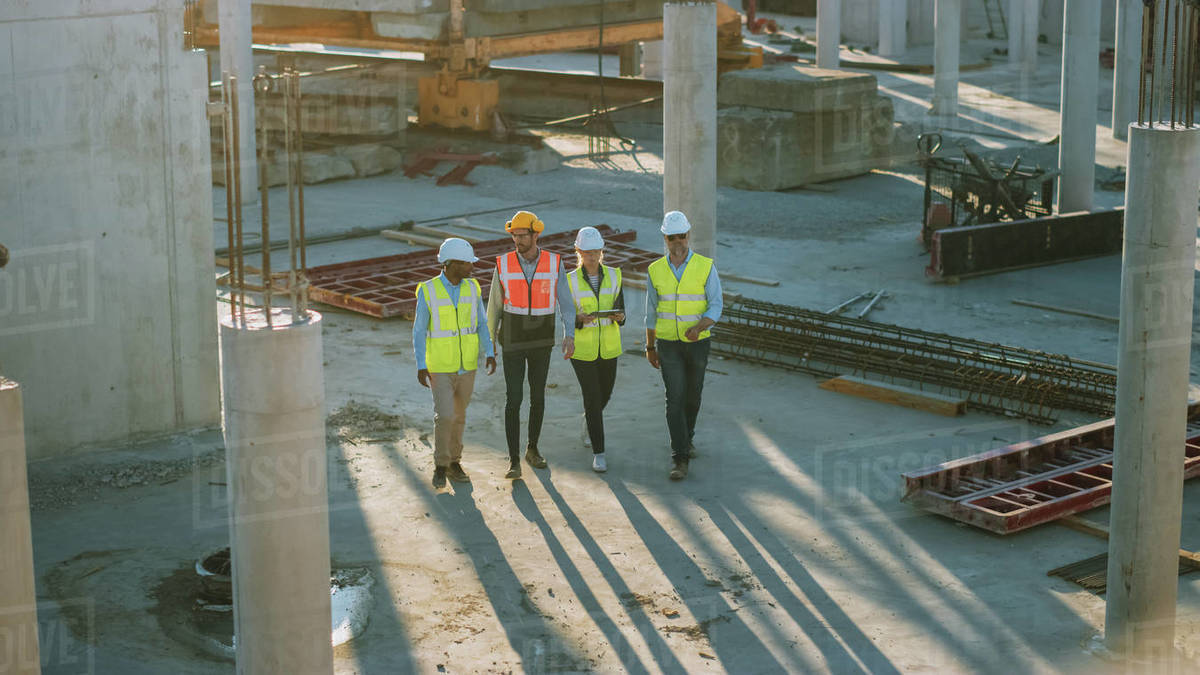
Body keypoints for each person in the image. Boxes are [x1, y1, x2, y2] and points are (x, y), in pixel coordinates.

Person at [487, 210, 577, 479]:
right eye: (514, 235)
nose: (517, 240)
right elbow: (493, 307)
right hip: (513, 339)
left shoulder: (553, 262)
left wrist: (569, 334)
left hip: (541, 339)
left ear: (536, 234)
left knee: (538, 396)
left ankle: (532, 449)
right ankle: (513, 460)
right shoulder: (502, 264)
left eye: (522, 235)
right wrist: (489, 344)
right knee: (513, 399)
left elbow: (566, 304)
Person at [644, 211, 723, 481]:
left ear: (688, 236)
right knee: (674, 397)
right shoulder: (655, 270)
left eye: (682, 236)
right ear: (665, 238)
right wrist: (649, 346)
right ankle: (680, 456)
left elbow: (716, 304)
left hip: (697, 343)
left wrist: (699, 327)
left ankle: (687, 438)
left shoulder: (705, 266)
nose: (677, 241)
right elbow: (651, 312)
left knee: (693, 395)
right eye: (671, 237)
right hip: (668, 343)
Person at [413, 238, 496, 488]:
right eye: (466, 263)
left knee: (459, 416)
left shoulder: (473, 288)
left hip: (467, 365)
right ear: (451, 264)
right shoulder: (428, 290)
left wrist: (490, 351)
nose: (471, 267)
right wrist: (420, 364)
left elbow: (481, 323)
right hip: (439, 365)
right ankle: (441, 464)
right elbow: (418, 331)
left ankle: (454, 462)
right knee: (446, 416)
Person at [566, 227, 626, 473]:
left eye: (596, 252)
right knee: (592, 397)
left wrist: (620, 317)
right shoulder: (569, 280)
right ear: (578, 252)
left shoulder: (614, 276)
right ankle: (599, 453)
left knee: (605, 394)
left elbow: (622, 312)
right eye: (586, 252)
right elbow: (564, 315)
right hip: (582, 349)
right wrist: (579, 319)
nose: (591, 256)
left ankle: (589, 421)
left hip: (609, 346)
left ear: (602, 251)